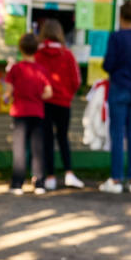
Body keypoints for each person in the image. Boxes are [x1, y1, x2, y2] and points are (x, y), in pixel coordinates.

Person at [99, 0, 131, 194]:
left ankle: (116, 179)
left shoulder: (116, 37)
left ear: (120, 17)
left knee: (118, 134)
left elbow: (108, 64)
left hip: (120, 89)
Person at [34, 18, 85, 190]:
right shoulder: (67, 54)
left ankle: (50, 177)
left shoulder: (37, 55)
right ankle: (69, 173)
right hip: (63, 102)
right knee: (63, 137)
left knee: (47, 138)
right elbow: (76, 80)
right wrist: (68, 95)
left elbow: (33, 79)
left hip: (44, 102)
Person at [5, 33, 53, 195]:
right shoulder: (42, 70)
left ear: (20, 48)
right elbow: (48, 93)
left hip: (19, 113)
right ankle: (39, 182)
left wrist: (10, 97)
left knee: (19, 148)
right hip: (37, 112)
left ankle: (17, 183)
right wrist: (37, 96)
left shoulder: (15, 69)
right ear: (36, 49)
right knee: (37, 149)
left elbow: (8, 93)